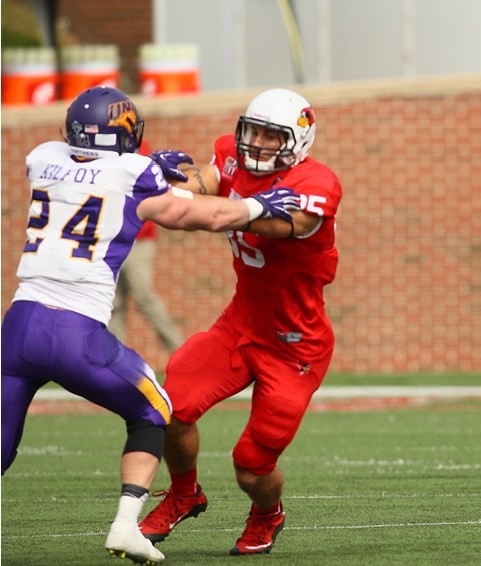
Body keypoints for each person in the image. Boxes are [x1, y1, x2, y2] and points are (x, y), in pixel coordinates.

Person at [0, 86, 302, 564]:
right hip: (76, 333)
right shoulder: (134, 171)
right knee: (155, 412)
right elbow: (193, 214)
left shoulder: (41, 158)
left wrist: (143, 166)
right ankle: (126, 525)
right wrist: (258, 207)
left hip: (16, 328)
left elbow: (85, 162)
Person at [137, 88, 342, 556]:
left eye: (272, 137)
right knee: (171, 407)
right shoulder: (233, 157)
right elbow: (204, 183)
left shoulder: (318, 183)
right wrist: (156, 177)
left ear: (299, 140)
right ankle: (185, 493)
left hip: (296, 345)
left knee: (251, 465)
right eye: (253, 132)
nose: (258, 145)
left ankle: (268, 512)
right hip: (240, 324)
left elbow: (247, 218)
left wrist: (169, 199)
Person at [109, 220, 184, 353]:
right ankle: (114, 356)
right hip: (111, 242)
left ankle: (179, 350)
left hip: (139, 240)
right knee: (114, 302)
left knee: (144, 297)